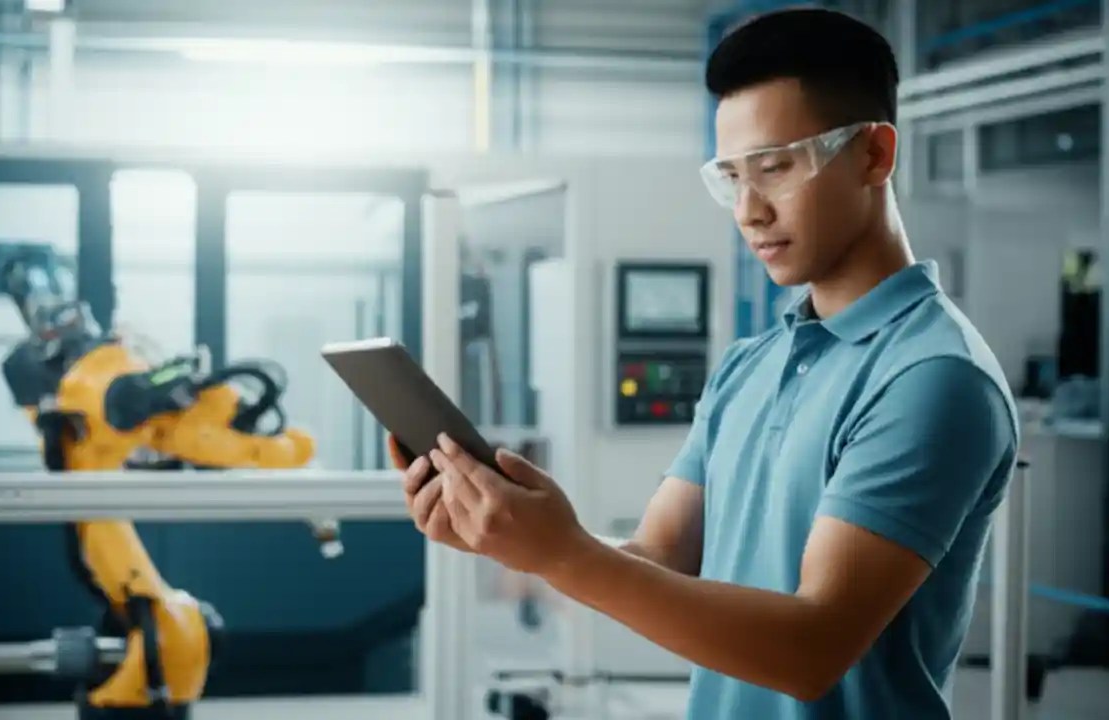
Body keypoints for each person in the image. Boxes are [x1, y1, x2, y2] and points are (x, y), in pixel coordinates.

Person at [391, 7, 1020, 720]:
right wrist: (514, 536)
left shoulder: (934, 377)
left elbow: (811, 649)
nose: (748, 211)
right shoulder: (749, 366)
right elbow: (655, 559)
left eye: (775, 168)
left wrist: (561, 553)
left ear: (874, 155)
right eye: (731, 178)